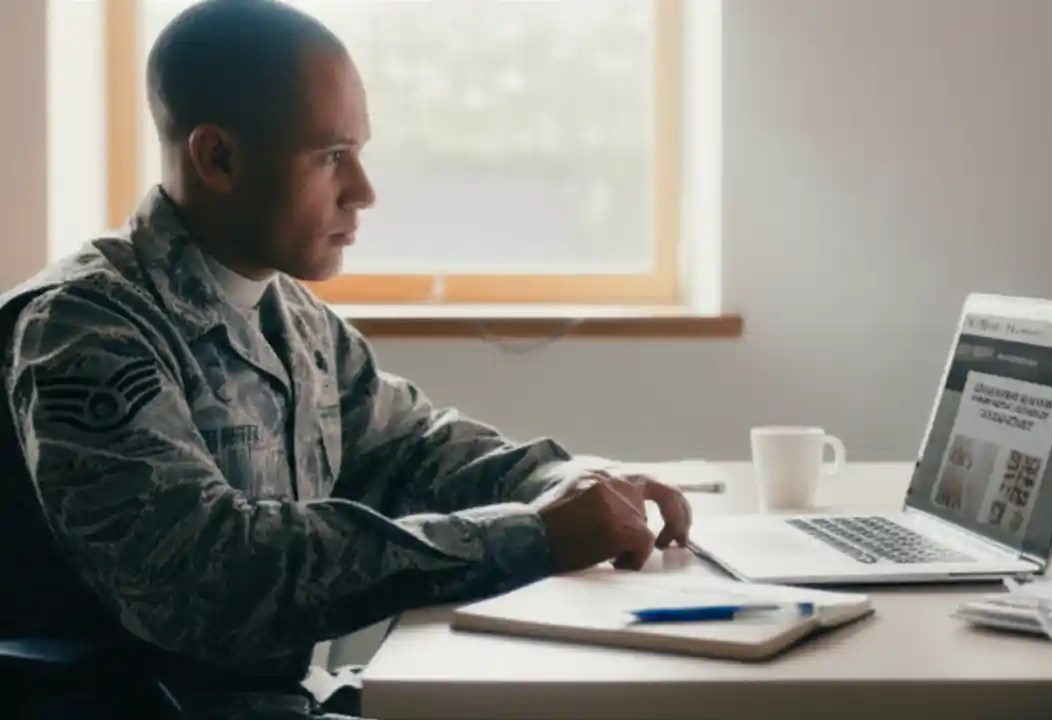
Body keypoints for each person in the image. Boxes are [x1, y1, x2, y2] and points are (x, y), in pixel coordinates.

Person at [0, 1, 692, 717]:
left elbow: (416, 451)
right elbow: (206, 577)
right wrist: (532, 535)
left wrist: (569, 480)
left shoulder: (291, 317)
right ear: (219, 158)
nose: (363, 192)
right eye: (332, 157)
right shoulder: (83, 329)